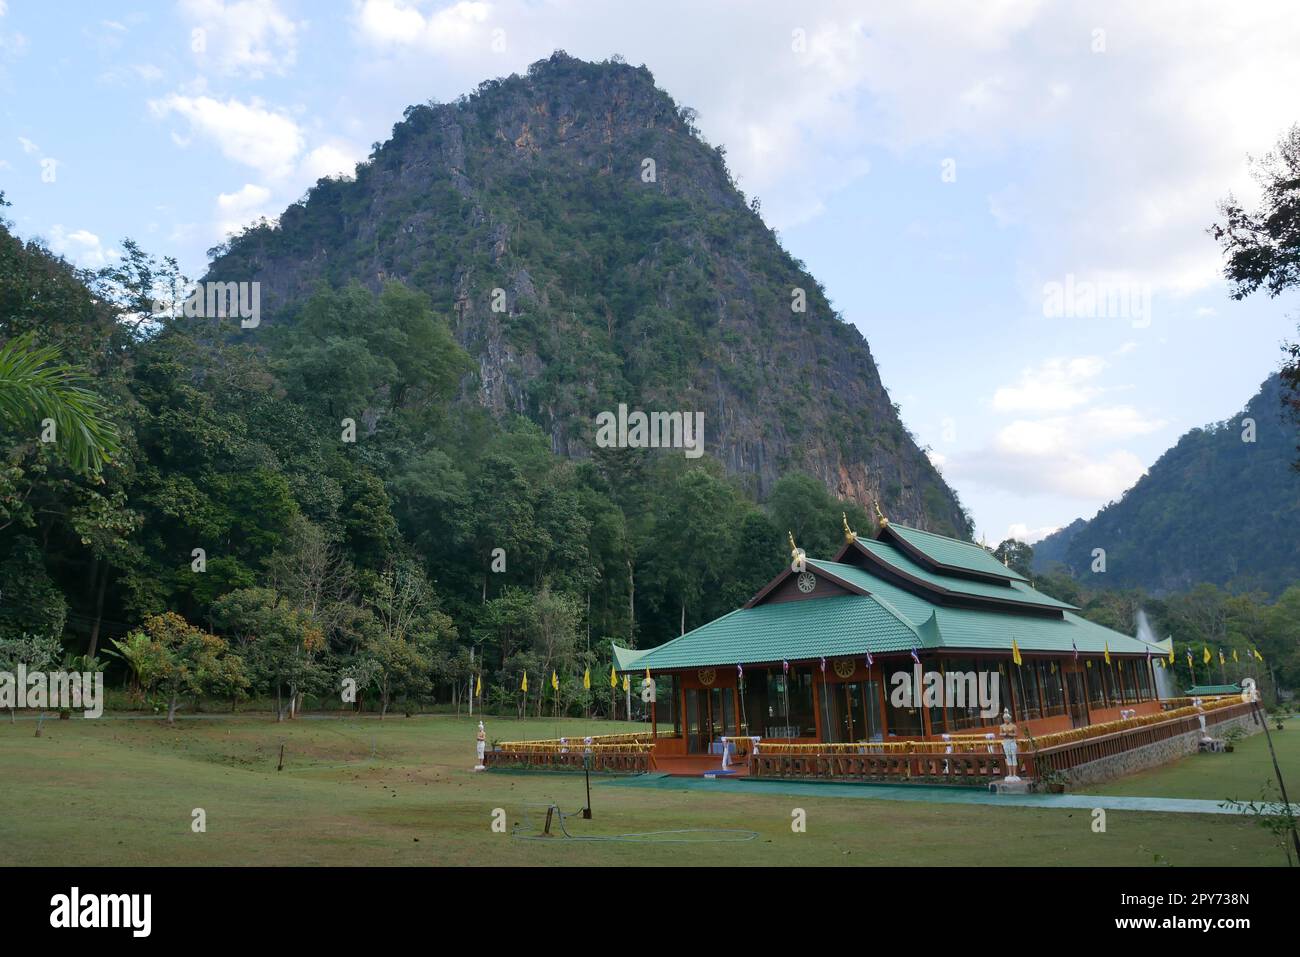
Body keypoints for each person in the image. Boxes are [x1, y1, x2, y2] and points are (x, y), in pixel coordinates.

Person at [999, 708, 1020, 782]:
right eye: (1004, 719)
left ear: (1009, 719)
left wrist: (1010, 734)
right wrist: (1005, 734)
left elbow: (1016, 734)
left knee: (1013, 756)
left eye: (1007, 719)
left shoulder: (1013, 726)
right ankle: (1010, 774)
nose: (1006, 720)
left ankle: (1014, 774)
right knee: (1008, 757)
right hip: (1006, 742)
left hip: (1012, 741)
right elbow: (1000, 733)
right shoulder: (1002, 726)